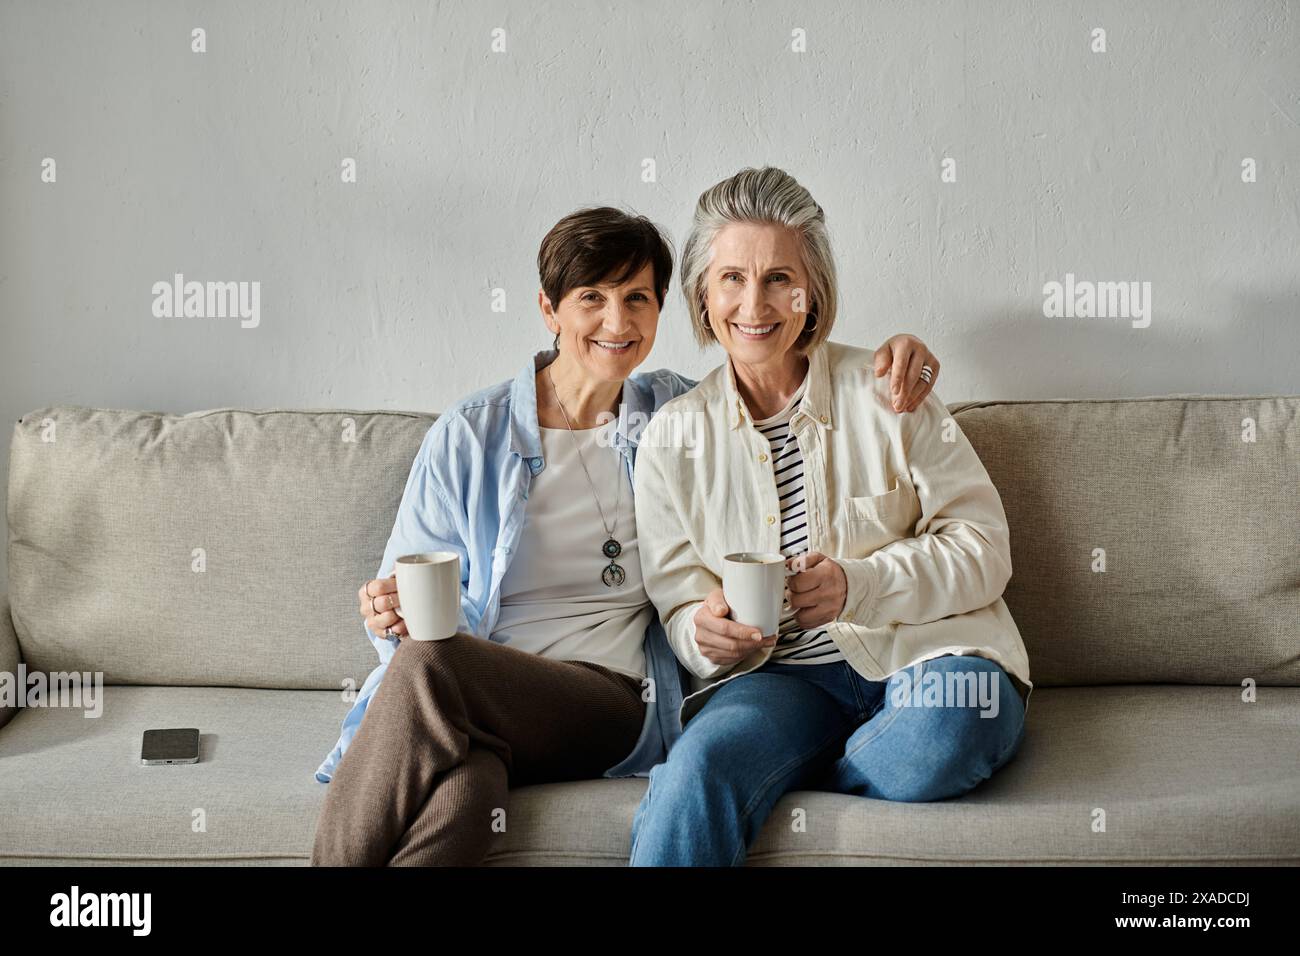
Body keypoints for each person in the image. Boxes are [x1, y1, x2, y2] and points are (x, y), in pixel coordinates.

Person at [310, 203, 945, 865]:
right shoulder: (471, 434)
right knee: (462, 796)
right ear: (548, 309)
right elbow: (399, 617)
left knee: (431, 660)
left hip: (612, 701)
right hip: (479, 707)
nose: (618, 322)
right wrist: (387, 614)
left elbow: (774, 367)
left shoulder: (675, 413)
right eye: (592, 298)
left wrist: (893, 357)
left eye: (637, 298)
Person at [628, 167, 1033, 866]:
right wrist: (705, 633)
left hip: (925, 654)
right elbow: (676, 607)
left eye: (779, 277)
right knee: (698, 770)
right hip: (778, 685)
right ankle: (779, 767)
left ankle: (795, 779)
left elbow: (985, 547)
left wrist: (859, 585)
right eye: (731, 278)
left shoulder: (888, 391)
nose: (754, 303)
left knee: (957, 721)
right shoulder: (671, 436)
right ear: (701, 291)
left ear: (811, 290)